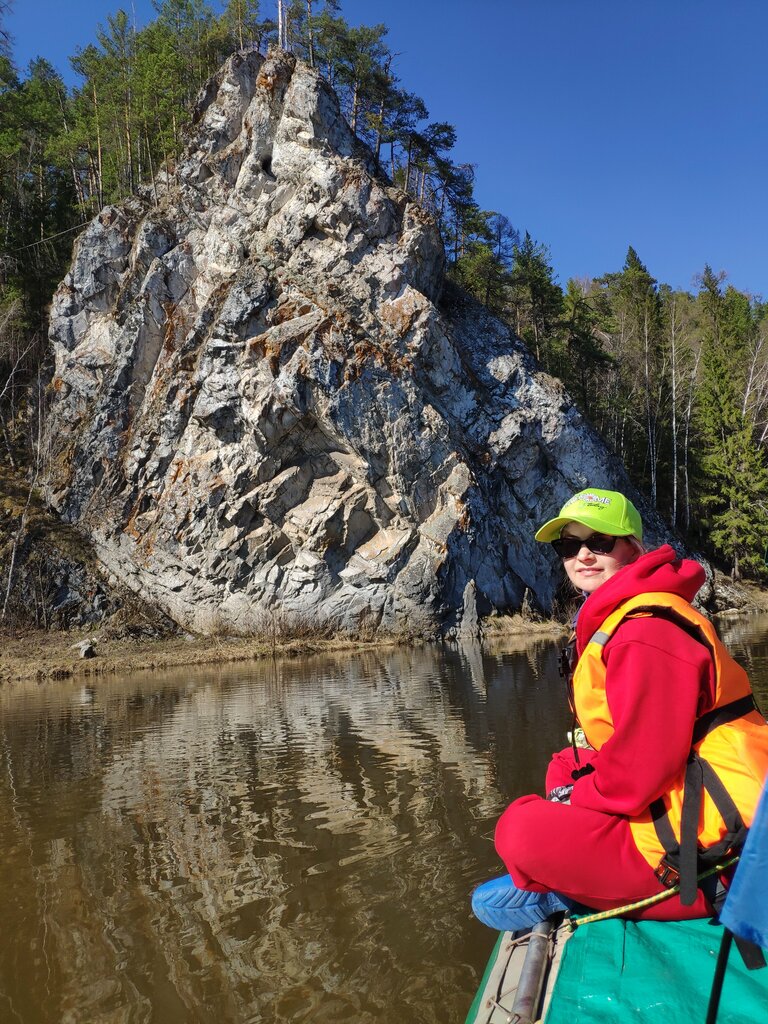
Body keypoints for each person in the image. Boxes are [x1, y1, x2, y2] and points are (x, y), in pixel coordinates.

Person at [472, 487, 768, 931]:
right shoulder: (628, 618)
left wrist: (576, 799)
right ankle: (571, 877)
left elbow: (643, 767)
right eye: (570, 545)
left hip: (728, 840)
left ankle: (591, 889)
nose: (584, 555)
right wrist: (575, 788)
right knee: (564, 765)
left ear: (635, 548)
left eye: (601, 542)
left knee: (517, 831)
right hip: (688, 787)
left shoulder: (645, 632)